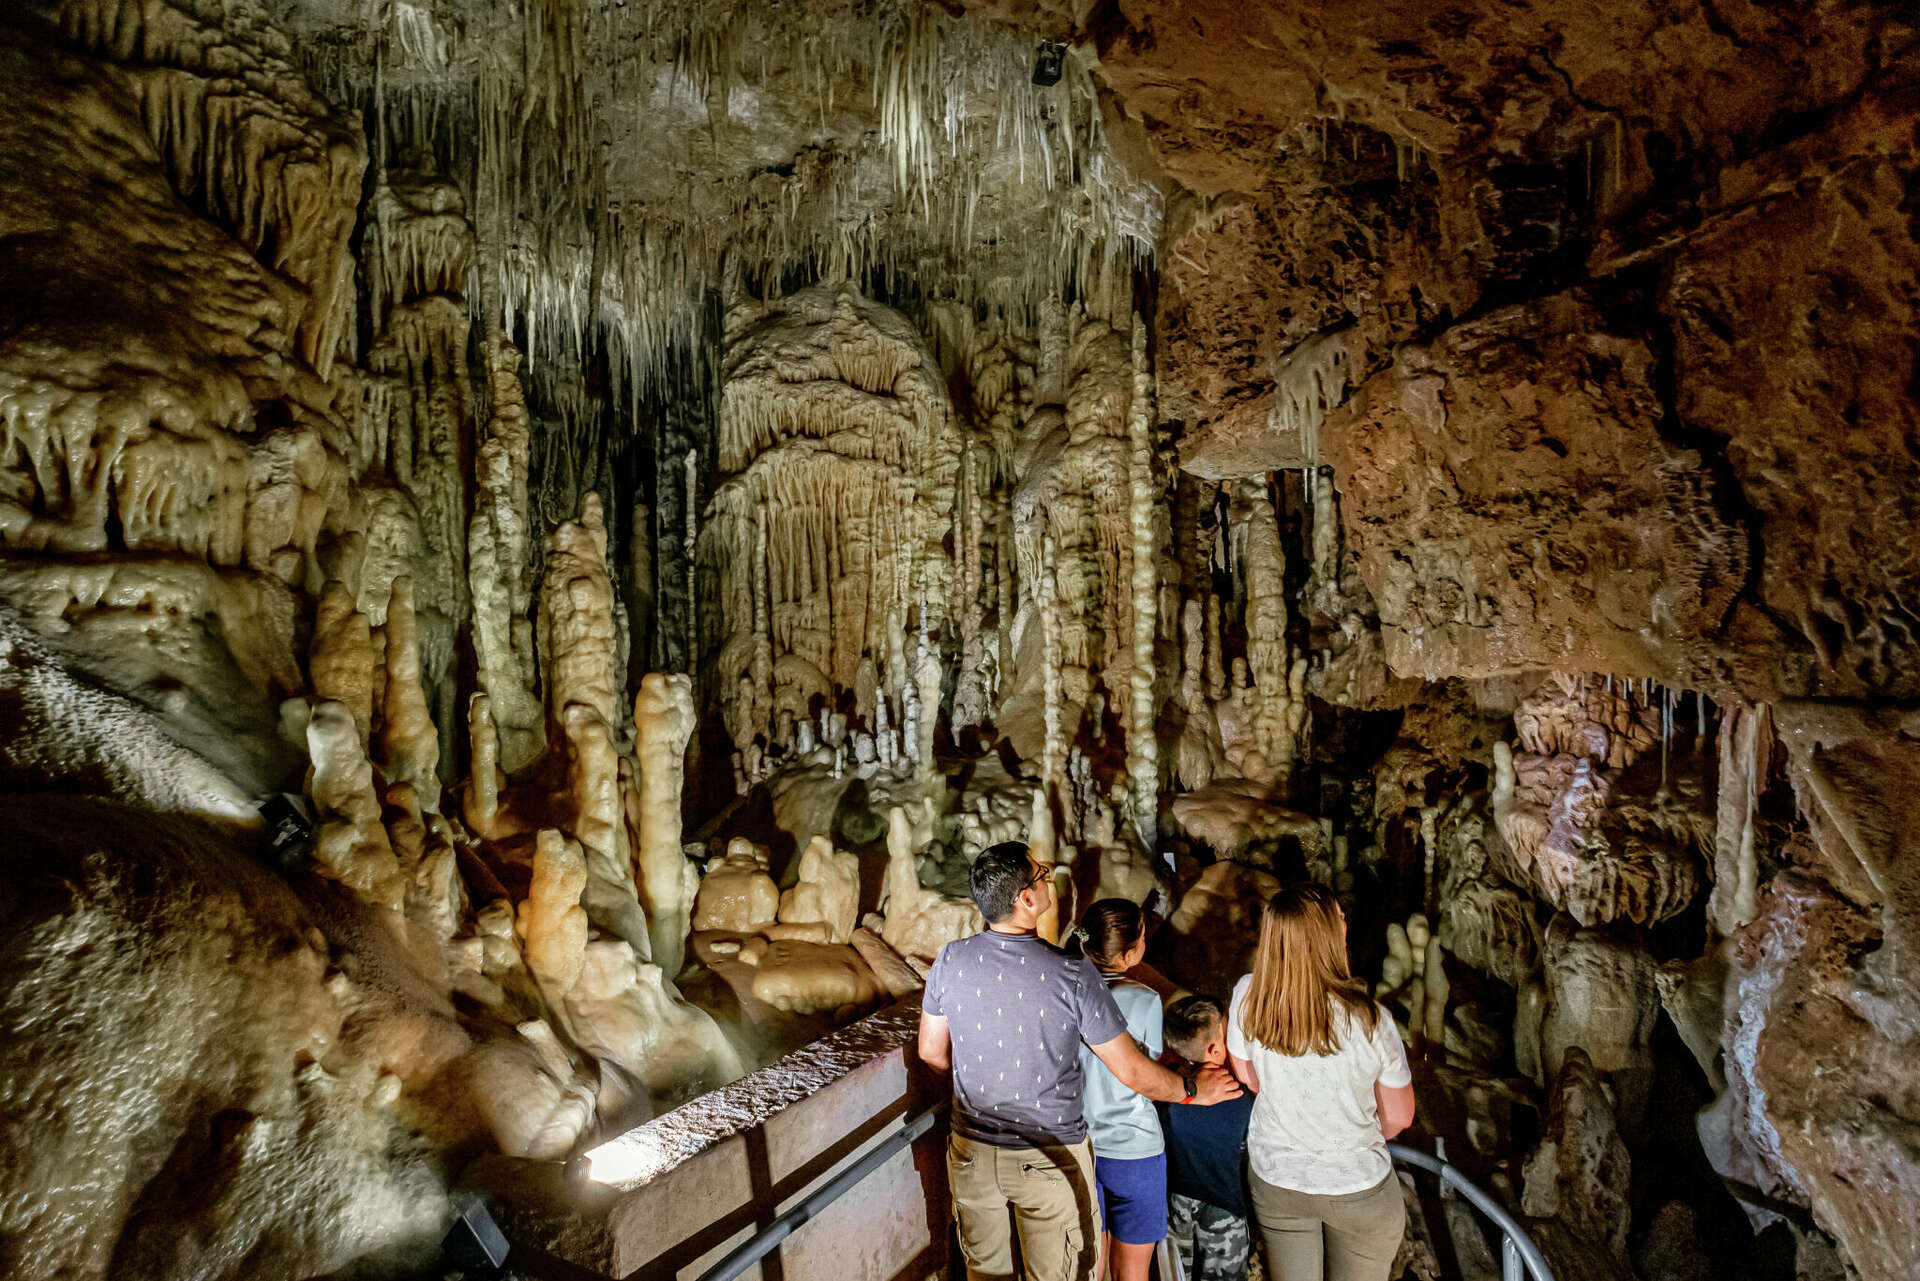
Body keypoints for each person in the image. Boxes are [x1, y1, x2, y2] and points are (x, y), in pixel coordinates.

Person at [918, 843, 1242, 1281]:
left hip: (972, 1152)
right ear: (1025, 899)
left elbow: (932, 1053)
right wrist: (1191, 1090)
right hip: (1049, 1157)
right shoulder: (1070, 972)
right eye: (1042, 874)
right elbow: (1130, 1069)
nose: (1048, 878)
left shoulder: (950, 960)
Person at [1228, 884, 1416, 1281]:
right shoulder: (1369, 1019)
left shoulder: (1248, 996)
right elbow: (1399, 1116)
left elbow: (1250, 1078)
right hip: (1356, 1185)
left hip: (1279, 1182)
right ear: (1328, 934)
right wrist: (1344, 1130)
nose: (1345, 922)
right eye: (1339, 917)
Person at [1071, 901, 1166, 1281]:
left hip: (1081, 1148)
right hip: (1135, 1151)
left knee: (1090, 1268)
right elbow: (1149, 1075)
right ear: (1129, 954)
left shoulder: (1063, 990)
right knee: (1133, 1274)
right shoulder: (1144, 1000)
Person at [1159, 994, 1257, 1281]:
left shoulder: (1168, 1095)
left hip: (1176, 1205)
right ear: (1215, 1049)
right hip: (1223, 1205)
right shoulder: (1242, 1098)